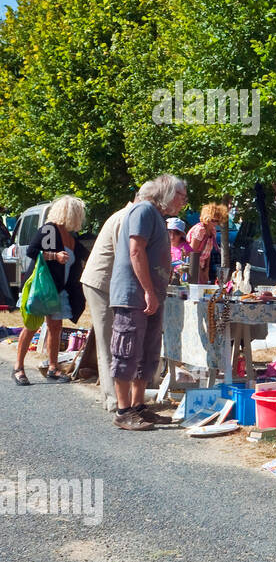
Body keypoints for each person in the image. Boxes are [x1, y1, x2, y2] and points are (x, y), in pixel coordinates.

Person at [109, 174, 188, 431]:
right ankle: (123, 411)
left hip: (150, 294)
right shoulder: (143, 210)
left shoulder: (155, 215)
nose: (184, 201)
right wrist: (147, 291)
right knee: (127, 349)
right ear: (166, 192)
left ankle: (138, 406)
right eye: (181, 195)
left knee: (148, 352)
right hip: (134, 294)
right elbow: (136, 251)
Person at [11, 196, 89, 386]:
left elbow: (84, 255)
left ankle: (53, 368)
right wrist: (54, 255)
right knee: (31, 326)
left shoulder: (71, 236)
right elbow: (31, 251)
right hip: (42, 288)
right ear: (69, 214)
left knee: (55, 327)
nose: (81, 218)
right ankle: (18, 368)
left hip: (59, 290)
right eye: (78, 213)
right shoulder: (50, 229)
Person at [81, 200, 132, 409]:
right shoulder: (125, 218)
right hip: (100, 284)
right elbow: (128, 257)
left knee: (112, 340)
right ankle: (113, 399)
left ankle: (114, 394)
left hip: (109, 283)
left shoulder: (128, 215)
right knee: (107, 341)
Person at [185, 202, 227, 284]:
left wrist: (206, 269)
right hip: (192, 266)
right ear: (206, 218)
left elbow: (208, 252)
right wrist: (201, 273)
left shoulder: (213, 230)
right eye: (213, 220)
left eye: (217, 221)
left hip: (202, 265)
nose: (215, 223)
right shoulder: (200, 229)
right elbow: (192, 253)